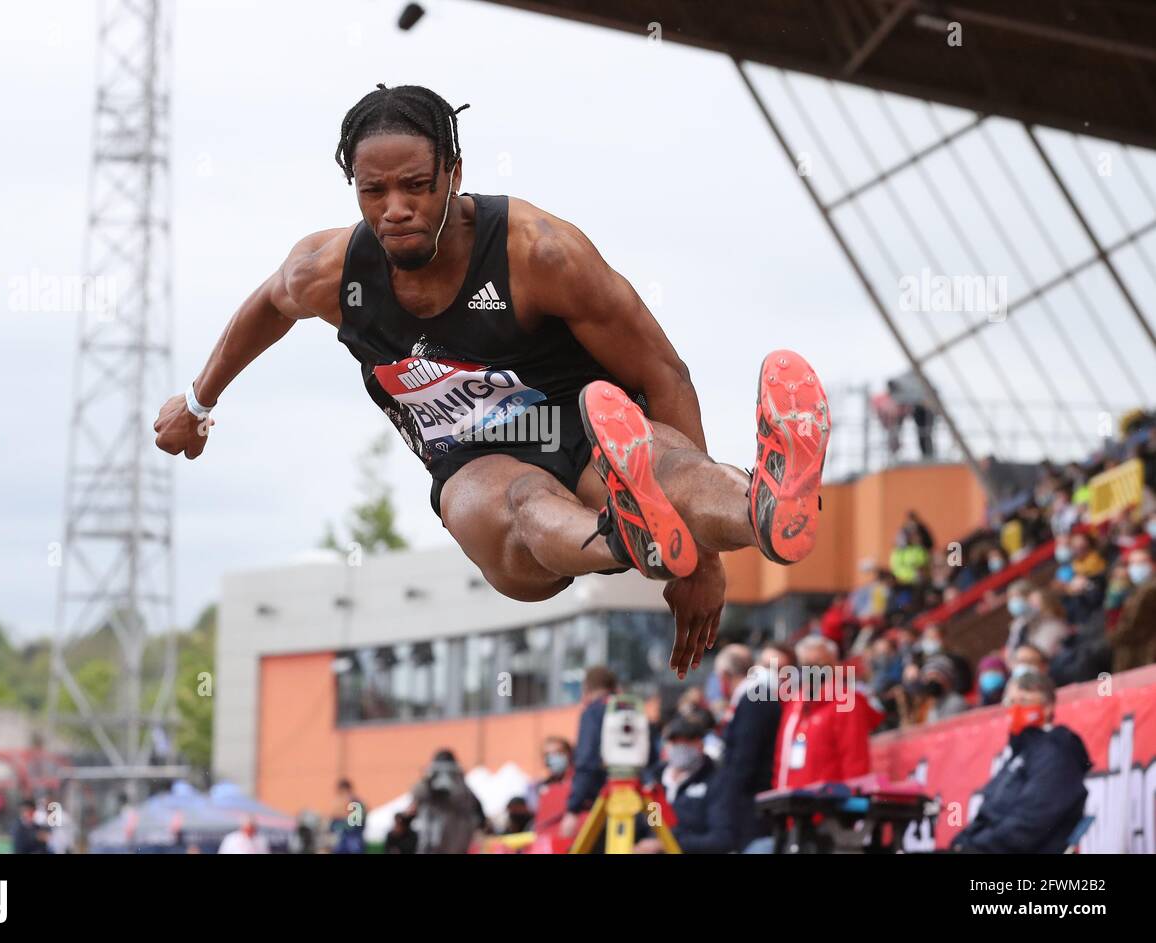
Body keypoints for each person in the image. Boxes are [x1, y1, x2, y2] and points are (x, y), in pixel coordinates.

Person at [151, 83, 832, 680]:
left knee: (666, 460)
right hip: (475, 460)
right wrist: (197, 400)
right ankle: (634, 535)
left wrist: (707, 561)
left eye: (416, 186)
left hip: (591, 428)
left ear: (453, 172)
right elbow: (268, 307)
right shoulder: (328, 271)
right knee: (528, 501)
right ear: (353, 186)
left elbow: (661, 370)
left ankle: (762, 510)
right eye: (373, 191)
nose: (395, 209)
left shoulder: (539, 253)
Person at [951, 672, 1091, 853]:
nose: (1015, 709)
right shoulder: (1019, 753)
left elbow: (1029, 823)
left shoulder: (1056, 754)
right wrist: (962, 843)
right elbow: (989, 814)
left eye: (1024, 701)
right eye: (1010, 702)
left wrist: (973, 848)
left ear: (1048, 707)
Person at [772, 636, 881, 790]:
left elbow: (855, 765)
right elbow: (780, 760)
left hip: (828, 807)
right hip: (792, 805)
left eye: (820, 664)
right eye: (806, 665)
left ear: (835, 665)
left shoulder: (845, 705)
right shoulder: (793, 706)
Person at [716, 647, 784, 852]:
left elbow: (744, 759)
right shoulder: (756, 696)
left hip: (753, 809)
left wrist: (726, 804)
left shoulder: (755, 699)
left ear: (726, 677)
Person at [633, 711, 729, 854]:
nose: (681, 747)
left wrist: (665, 844)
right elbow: (642, 825)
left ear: (700, 744)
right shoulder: (652, 781)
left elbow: (721, 839)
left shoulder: (715, 782)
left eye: (687, 741)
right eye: (674, 741)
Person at [560, 666, 617, 839]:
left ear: (586, 688)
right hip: (638, 798)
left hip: (606, 801)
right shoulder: (631, 709)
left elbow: (587, 762)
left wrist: (573, 809)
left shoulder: (593, 713)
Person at [406, 749, 484, 854]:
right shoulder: (427, 787)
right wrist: (429, 781)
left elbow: (472, 808)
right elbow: (416, 797)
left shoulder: (462, 788)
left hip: (455, 839)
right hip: (431, 840)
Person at [1111, 546, 1156, 672]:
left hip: (1144, 652)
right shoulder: (1133, 590)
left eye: (1141, 562)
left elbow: (1132, 627)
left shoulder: (1150, 591)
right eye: (1133, 563)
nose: (1136, 568)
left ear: (1152, 564)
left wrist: (1112, 636)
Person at [329, 778, 366, 854]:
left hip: (353, 845)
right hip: (342, 845)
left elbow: (355, 824)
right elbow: (332, 826)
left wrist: (341, 813)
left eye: (341, 792)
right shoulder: (341, 804)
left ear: (346, 790)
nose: (340, 795)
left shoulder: (356, 804)